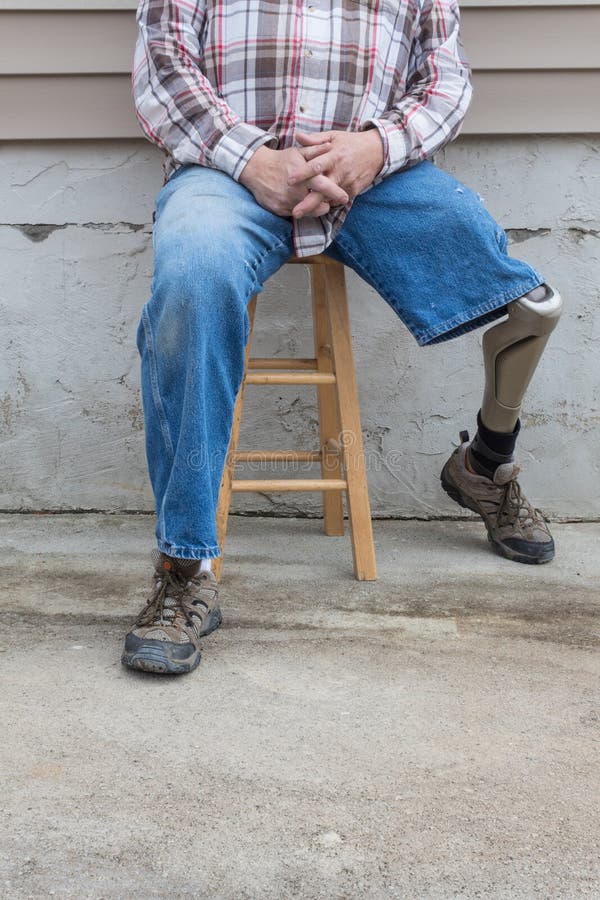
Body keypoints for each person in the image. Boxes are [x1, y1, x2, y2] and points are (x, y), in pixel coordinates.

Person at [122, 0, 562, 675]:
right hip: (227, 176)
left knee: (534, 304)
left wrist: (377, 146)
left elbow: (446, 81)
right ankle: (185, 570)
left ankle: (485, 466)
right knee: (194, 285)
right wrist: (253, 160)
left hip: (378, 179)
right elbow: (164, 64)